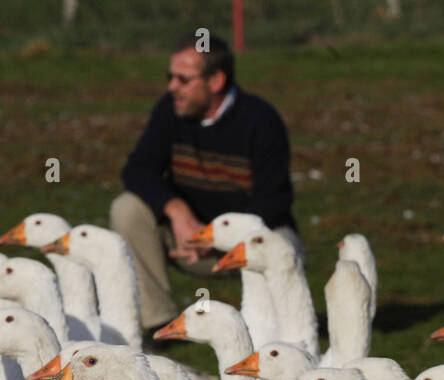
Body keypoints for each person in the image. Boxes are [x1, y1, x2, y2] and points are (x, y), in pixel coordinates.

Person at [110, 32, 301, 329]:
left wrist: (217, 238)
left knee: (285, 244)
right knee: (127, 209)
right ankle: (156, 324)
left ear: (216, 82)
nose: (172, 87)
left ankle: (285, 333)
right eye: (170, 77)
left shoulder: (261, 121)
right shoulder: (169, 110)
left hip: (243, 240)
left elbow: (274, 200)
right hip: (187, 239)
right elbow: (137, 170)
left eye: (183, 80)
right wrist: (176, 211)